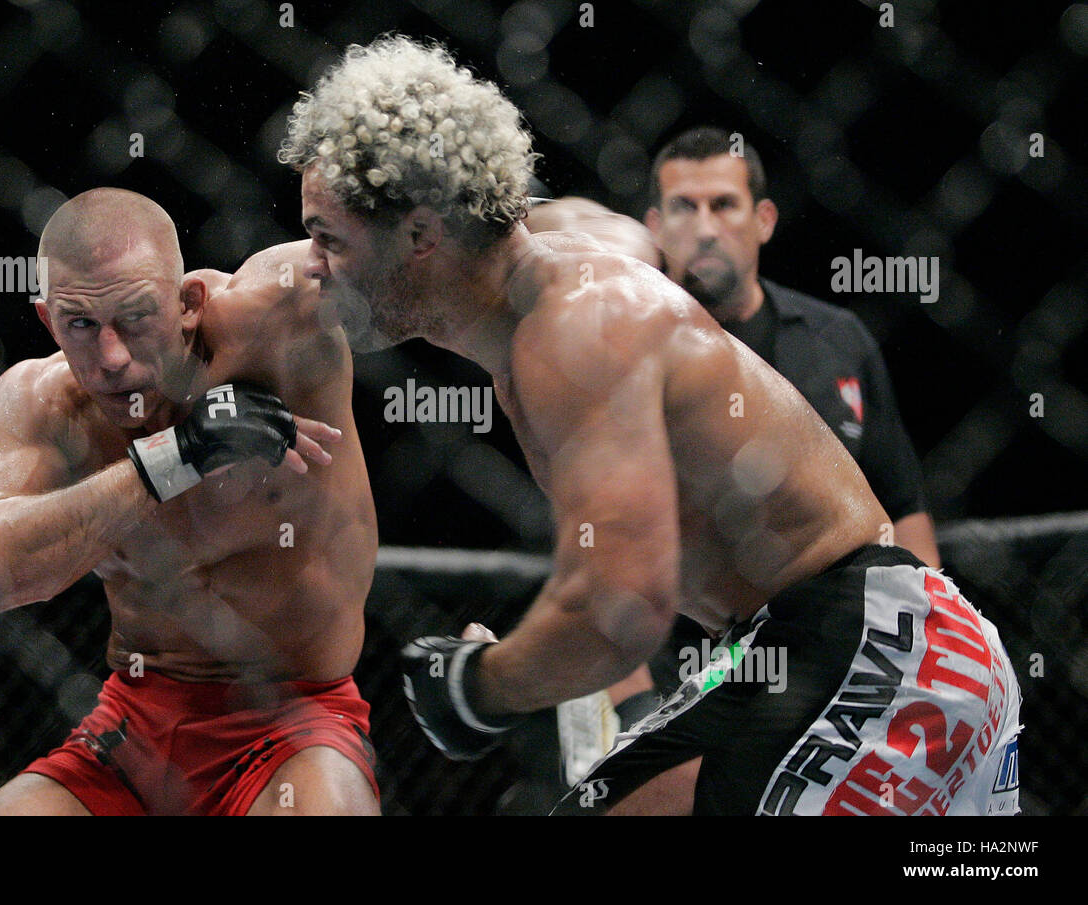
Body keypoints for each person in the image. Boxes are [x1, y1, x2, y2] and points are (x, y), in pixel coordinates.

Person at [281, 36, 1021, 815]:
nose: (312, 263)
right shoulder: (547, 284)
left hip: (876, 647)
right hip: (795, 647)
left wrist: (478, 684)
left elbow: (621, 607)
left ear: (422, 233)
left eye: (327, 236)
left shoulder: (575, 325)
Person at [0, 188, 381, 816]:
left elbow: (414, 245)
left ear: (188, 302)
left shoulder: (268, 323)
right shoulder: (41, 406)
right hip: (129, 731)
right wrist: (173, 457)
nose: (112, 358)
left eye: (135, 318)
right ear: (47, 320)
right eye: (81, 325)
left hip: (293, 723)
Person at [645, 127, 940, 567]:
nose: (705, 228)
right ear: (656, 228)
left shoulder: (838, 338)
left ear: (764, 220)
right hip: (679, 621)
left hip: (835, 619)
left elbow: (902, 508)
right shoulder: (632, 348)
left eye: (723, 205)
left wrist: (932, 621)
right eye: (684, 207)